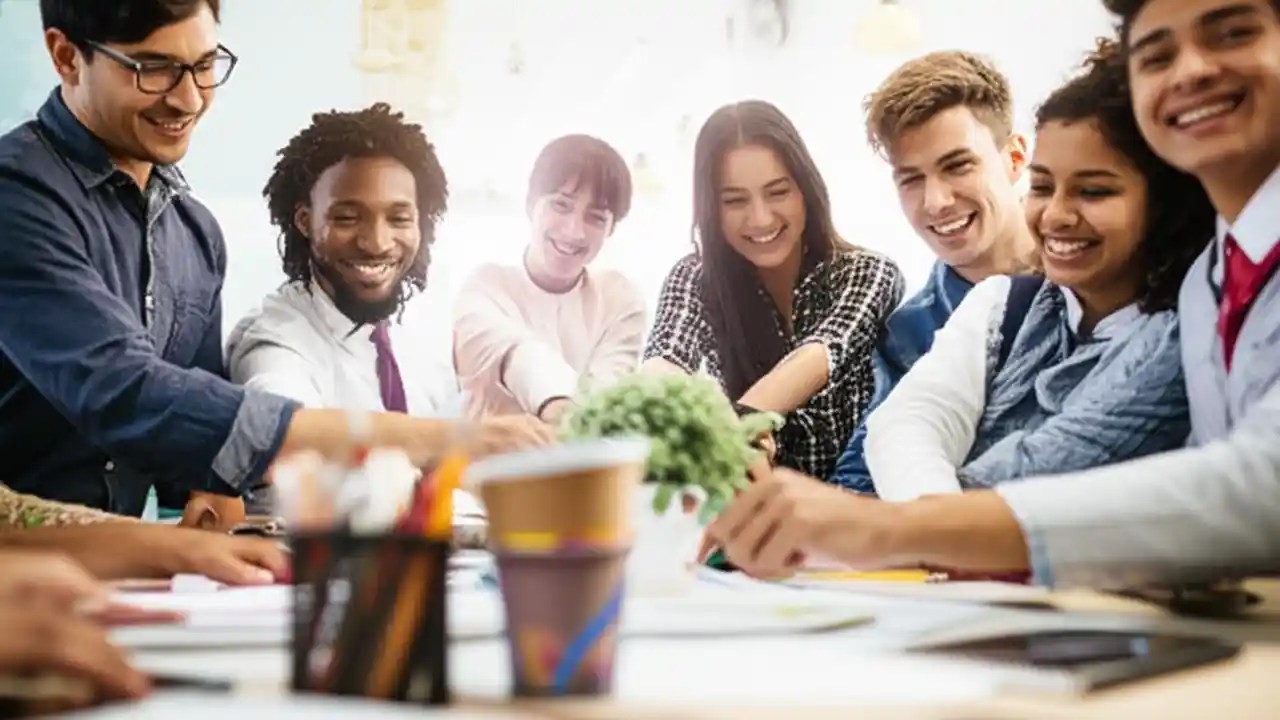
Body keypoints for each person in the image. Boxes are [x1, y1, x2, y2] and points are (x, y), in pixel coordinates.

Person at [705, 3, 1280, 590]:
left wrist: (911, 531)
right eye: (1157, 56)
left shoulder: (1172, 308)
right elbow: (892, 436)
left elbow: (1252, 480)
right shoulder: (1205, 275)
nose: (936, 203)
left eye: (1234, 33)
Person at [0, 0, 551, 517]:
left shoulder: (194, 235)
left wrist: (212, 494)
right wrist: (447, 442)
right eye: (154, 68)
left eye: (204, 64)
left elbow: (190, 445)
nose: (189, 99)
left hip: (108, 571)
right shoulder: (17, 196)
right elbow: (125, 394)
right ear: (67, 56)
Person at [864, 40, 1211, 499]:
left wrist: (934, 523)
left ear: (1161, 201)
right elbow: (905, 424)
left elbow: (1057, 463)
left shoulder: (1184, 329)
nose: (1055, 216)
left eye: (1094, 191)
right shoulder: (1004, 302)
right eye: (1044, 186)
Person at [643, 100, 904, 481]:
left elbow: (823, 352)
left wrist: (738, 425)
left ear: (806, 191)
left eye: (778, 192)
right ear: (710, 208)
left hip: (857, 508)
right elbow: (665, 357)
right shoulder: (696, 277)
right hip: (752, 507)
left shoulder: (869, 273)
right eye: (734, 201)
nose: (761, 218)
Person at [830, 51, 1037, 490]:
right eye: (911, 179)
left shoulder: (1090, 272)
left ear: (1014, 158)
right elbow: (860, 480)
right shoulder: (908, 333)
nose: (936, 202)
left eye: (957, 165)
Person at [228, 103, 460, 417]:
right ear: (304, 220)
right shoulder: (275, 342)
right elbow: (287, 428)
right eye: (347, 218)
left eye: (399, 219)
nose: (376, 243)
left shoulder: (423, 341)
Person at [453, 134, 645, 424]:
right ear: (531, 203)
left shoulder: (619, 299)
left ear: (611, 229)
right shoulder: (486, 286)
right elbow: (519, 358)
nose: (574, 231)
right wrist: (567, 413)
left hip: (586, 465)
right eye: (561, 205)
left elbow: (608, 396)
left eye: (596, 217)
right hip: (489, 465)